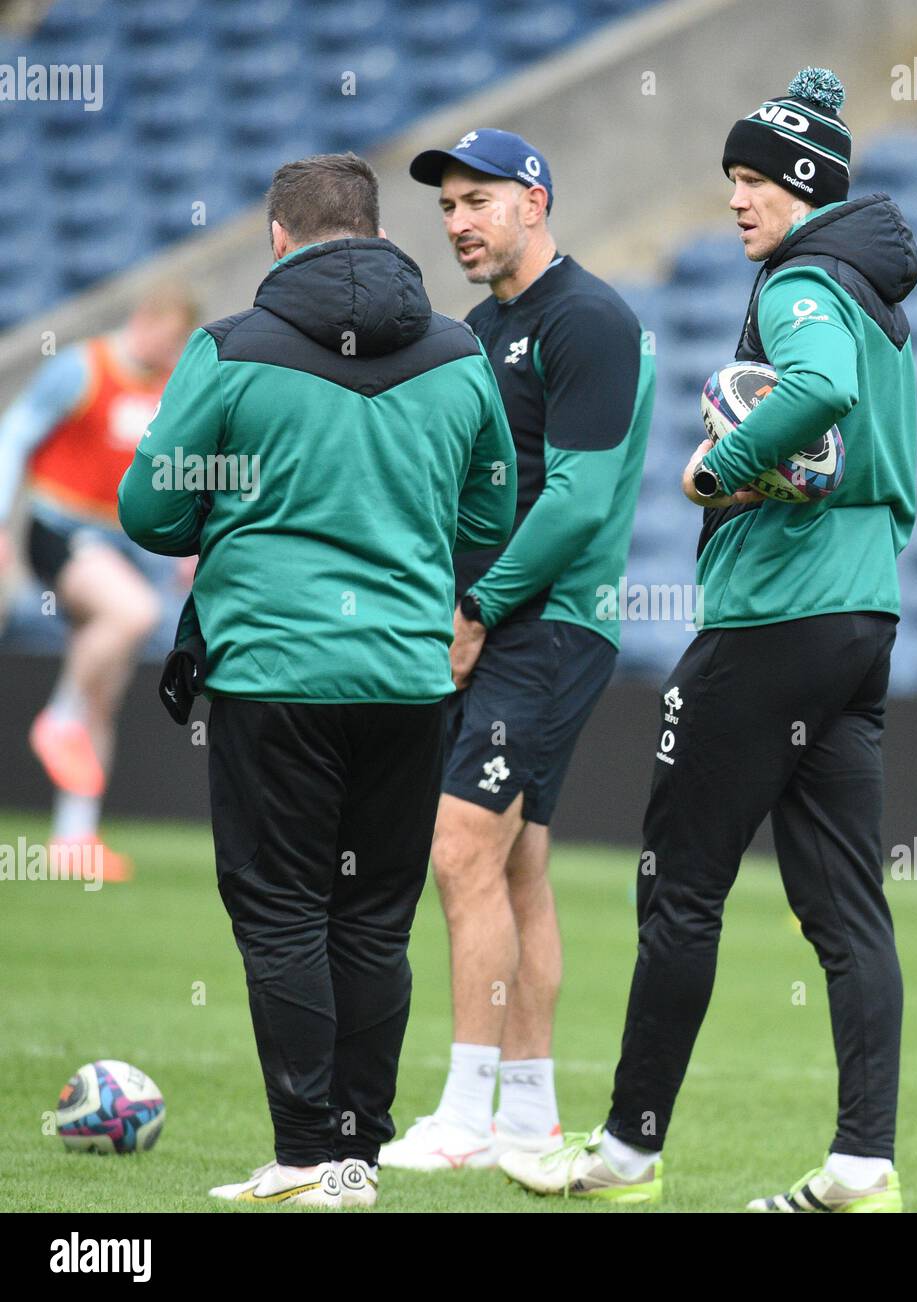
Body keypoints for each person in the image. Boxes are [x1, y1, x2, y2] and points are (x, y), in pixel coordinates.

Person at [499, 67, 917, 1212]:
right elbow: (870, 432)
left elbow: (816, 391)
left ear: (801, 188)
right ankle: (860, 1164)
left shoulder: (798, 284)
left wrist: (718, 465)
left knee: (678, 889)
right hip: (861, 619)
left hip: (770, 621)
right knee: (844, 907)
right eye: (729, 180)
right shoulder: (880, 298)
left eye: (752, 180)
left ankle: (628, 1152)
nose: (736, 201)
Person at [117, 152, 516, 1208]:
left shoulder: (232, 349)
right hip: (405, 678)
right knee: (374, 918)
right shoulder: (458, 353)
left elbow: (150, 511)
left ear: (279, 237)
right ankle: (354, 1157)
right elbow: (488, 517)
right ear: (384, 235)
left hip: (276, 673)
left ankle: (301, 1156)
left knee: (283, 908)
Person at [380, 129, 655, 1172]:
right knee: (518, 867)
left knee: (457, 851)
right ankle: (528, 1117)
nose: (457, 222)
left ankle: (459, 1114)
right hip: (500, 620)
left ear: (533, 200)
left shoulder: (589, 319)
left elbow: (580, 500)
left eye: (477, 200)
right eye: (447, 206)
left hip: (543, 625)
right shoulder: (478, 328)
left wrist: (480, 607)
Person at [0, 286, 199, 881]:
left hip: (122, 545)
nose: (166, 353)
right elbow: (15, 436)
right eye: (163, 339)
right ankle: (57, 718)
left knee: (103, 693)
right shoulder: (83, 368)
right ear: (144, 318)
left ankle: (73, 838)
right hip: (61, 531)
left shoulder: (168, 388)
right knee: (134, 614)